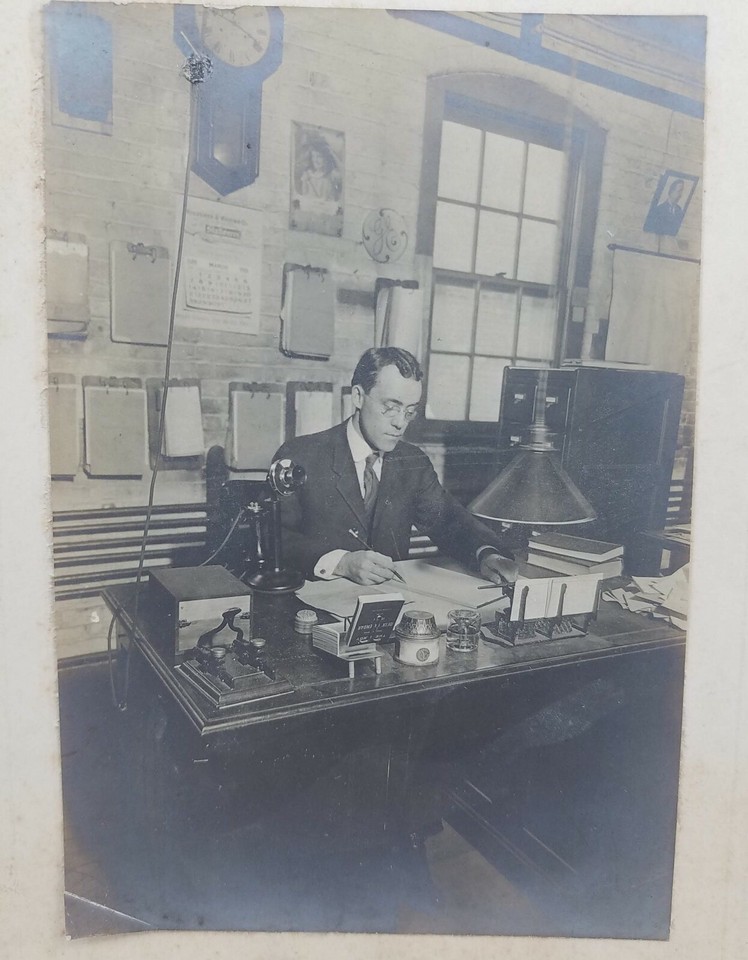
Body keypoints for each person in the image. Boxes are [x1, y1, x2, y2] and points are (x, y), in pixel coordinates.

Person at [273, 347, 517, 586]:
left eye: (409, 411)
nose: (400, 423)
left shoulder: (413, 463)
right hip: (314, 607)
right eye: (390, 407)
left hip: (391, 605)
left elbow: (448, 522)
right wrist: (342, 563)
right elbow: (275, 537)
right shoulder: (301, 456)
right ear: (358, 397)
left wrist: (485, 554)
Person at [298, 138, 342, 202]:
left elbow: (344, 174)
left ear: (326, 158)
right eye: (313, 156)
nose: (315, 160)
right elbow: (304, 196)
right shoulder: (307, 174)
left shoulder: (332, 175)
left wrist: (333, 154)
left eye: (319, 156)